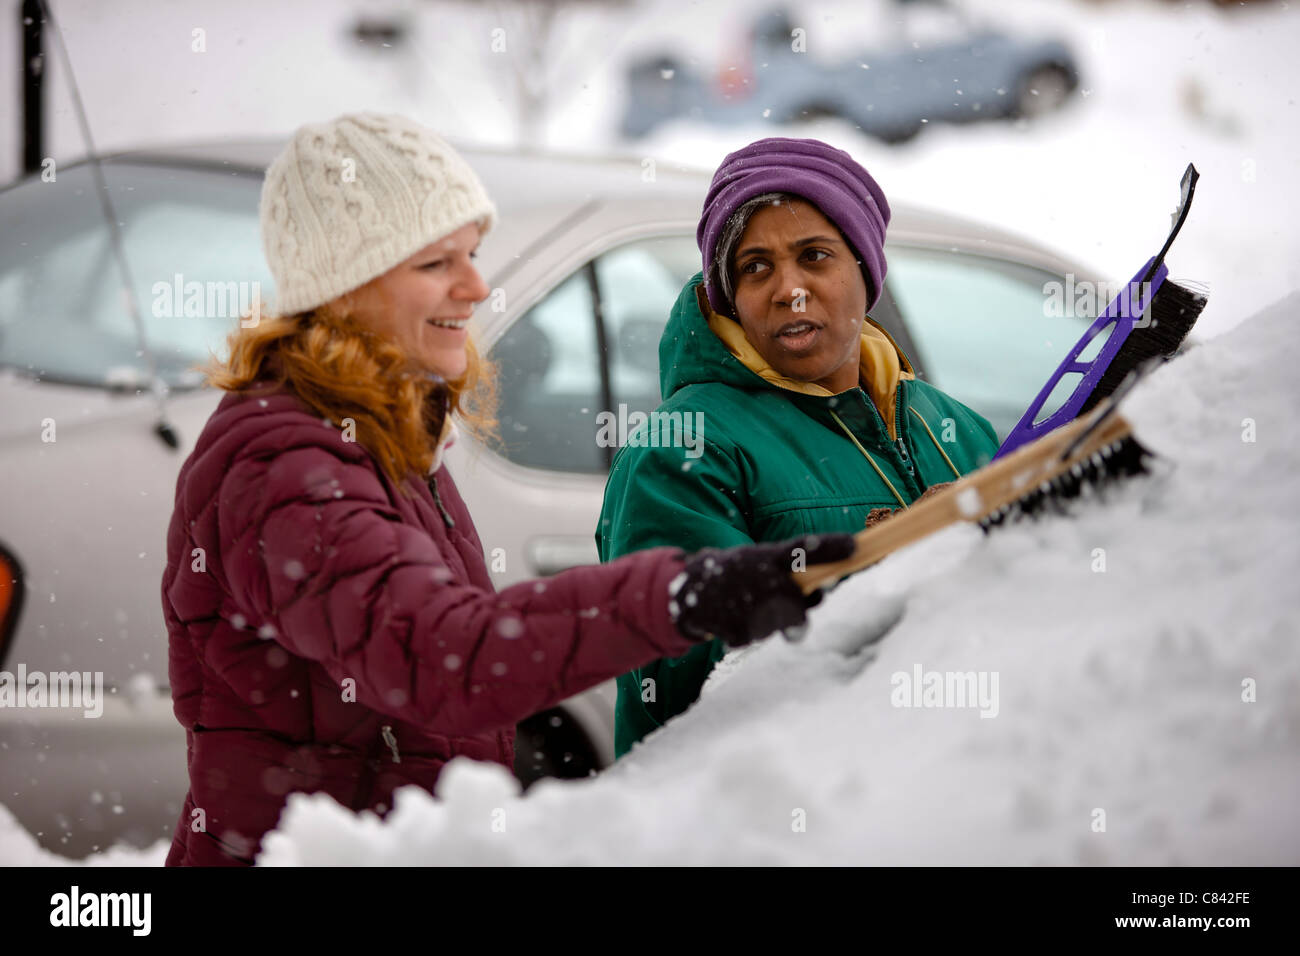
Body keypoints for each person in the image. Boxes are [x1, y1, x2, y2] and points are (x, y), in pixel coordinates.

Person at [160, 114, 852, 866]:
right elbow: (443, 656)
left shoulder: (382, 436)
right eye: (435, 263)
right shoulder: (281, 462)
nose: (476, 286)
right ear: (343, 287)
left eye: (473, 254)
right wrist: (681, 594)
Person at [599, 137, 1001, 758]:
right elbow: (690, 681)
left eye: (814, 256)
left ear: (866, 271)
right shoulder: (680, 451)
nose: (789, 289)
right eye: (756, 267)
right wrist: (903, 563)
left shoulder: (957, 430)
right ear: (729, 293)